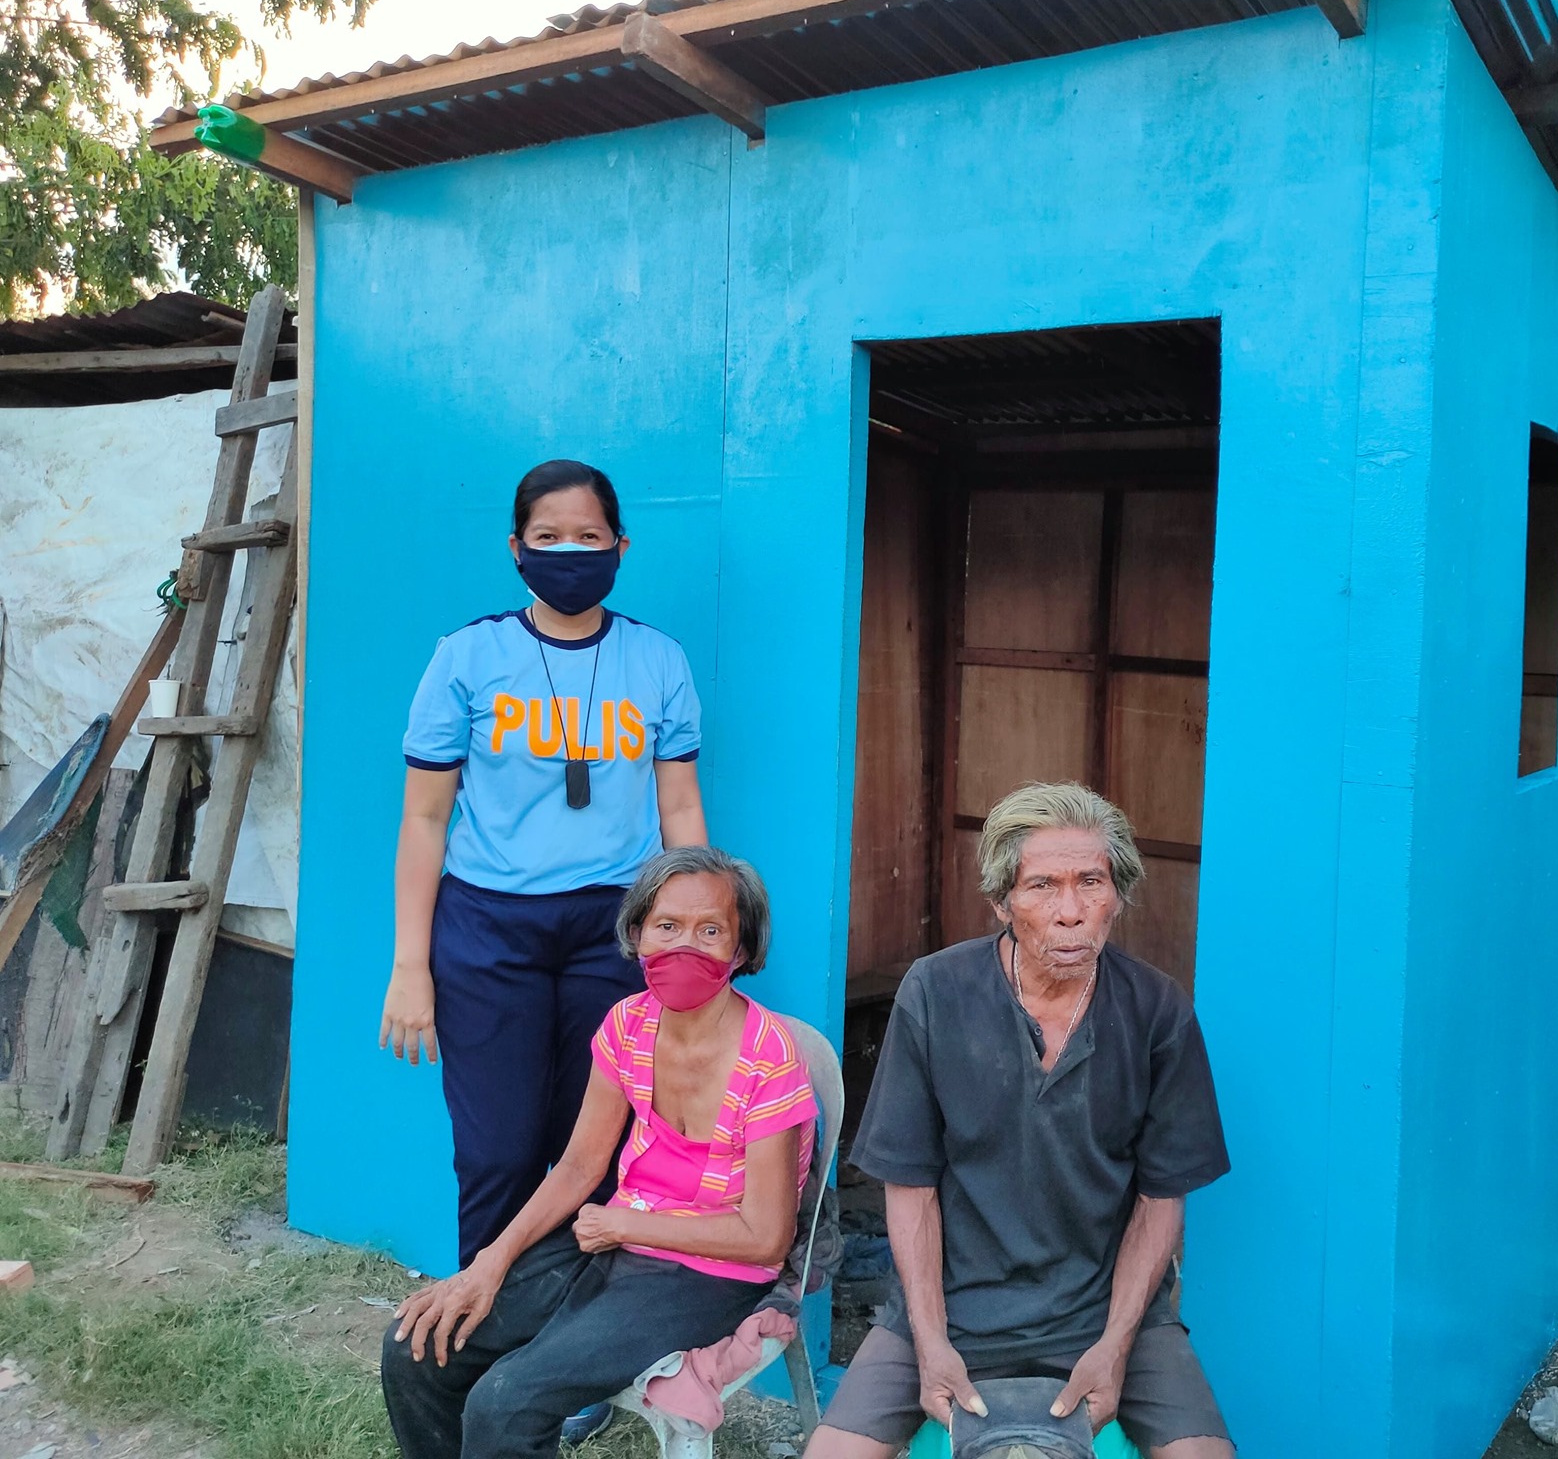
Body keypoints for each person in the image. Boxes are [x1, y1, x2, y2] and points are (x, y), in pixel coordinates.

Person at [381, 459, 708, 1442]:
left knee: (600, 1154)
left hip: (613, 930)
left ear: (621, 547)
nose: (570, 554)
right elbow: (424, 820)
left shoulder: (658, 661)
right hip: (486, 932)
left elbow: (679, 806)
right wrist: (410, 964)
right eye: (549, 537)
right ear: (517, 548)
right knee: (496, 1151)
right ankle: (476, 1359)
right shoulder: (467, 658)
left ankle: (567, 1373)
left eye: (589, 537)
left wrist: (692, 934)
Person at [808, 782, 1234, 1459]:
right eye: (1042, 886)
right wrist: (931, 1339)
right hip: (956, 1303)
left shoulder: (1155, 1010)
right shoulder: (936, 991)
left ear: (1117, 896)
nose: (1070, 912)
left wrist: (1116, 1346)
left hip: (1105, 1308)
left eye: (1091, 883)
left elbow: (1161, 1199)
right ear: (1001, 902)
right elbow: (911, 1187)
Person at [382, 846, 818, 1459]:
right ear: (637, 934)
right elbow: (582, 1166)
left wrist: (623, 1222)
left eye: (711, 931)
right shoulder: (627, 1025)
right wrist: (488, 1263)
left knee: (505, 1403)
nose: (684, 947)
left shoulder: (770, 1060)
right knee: (415, 1348)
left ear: (741, 951)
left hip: (710, 1272)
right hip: (615, 1242)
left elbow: (766, 1238)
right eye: (666, 927)